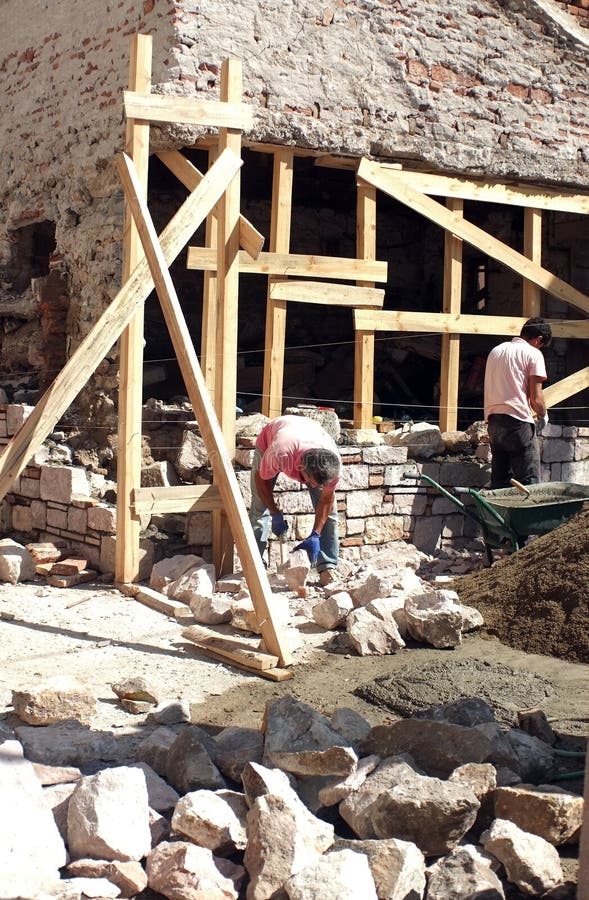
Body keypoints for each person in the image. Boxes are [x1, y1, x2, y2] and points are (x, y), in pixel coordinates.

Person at [249, 415, 341, 584]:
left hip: (313, 433)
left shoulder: (333, 466)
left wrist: (316, 534)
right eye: (311, 481)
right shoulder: (279, 453)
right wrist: (274, 512)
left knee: (331, 514)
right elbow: (261, 481)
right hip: (276, 435)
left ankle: (327, 566)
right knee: (259, 509)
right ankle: (255, 567)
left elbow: (326, 500)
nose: (314, 486)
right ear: (300, 467)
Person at [484, 316, 552, 489]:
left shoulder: (496, 351)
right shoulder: (533, 353)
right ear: (539, 339)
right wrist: (543, 414)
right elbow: (536, 398)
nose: (540, 348)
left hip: (493, 422)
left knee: (499, 483)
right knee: (529, 482)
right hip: (517, 423)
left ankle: (496, 507)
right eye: (541, 345)